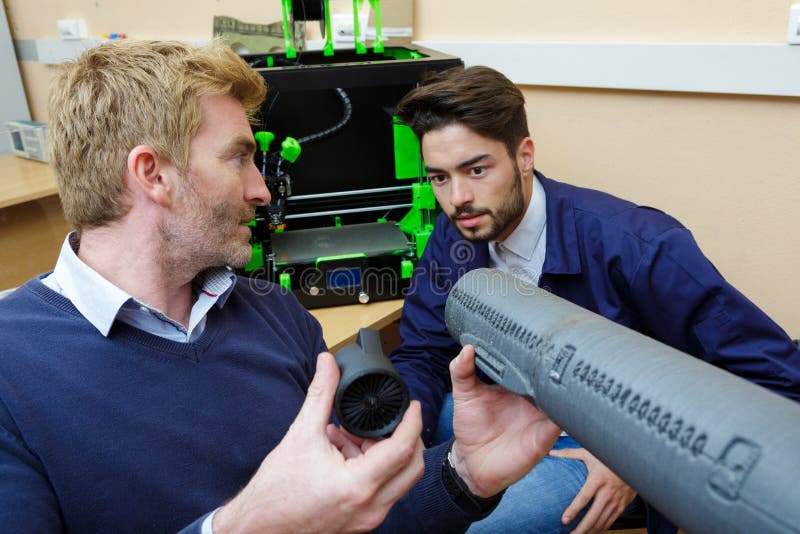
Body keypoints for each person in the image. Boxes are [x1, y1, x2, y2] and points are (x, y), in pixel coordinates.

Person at [0, 41, 564, 533]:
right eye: (239, 159)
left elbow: (362, 518)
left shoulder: (273, 312)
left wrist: (465, 475)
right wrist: (244, 526)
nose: (262, 191)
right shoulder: (13, 369)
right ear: (153, 175)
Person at [390, 65, 800, 534]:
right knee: (401, 491)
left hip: (600, 451)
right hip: (506, 415)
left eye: (476, 169)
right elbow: (423, 351)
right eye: (439, 178)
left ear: (524, 155)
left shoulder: (640, 246)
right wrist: (396, 441)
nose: (457, 197)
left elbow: (778, 381)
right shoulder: (457, 231)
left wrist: (638, 461)